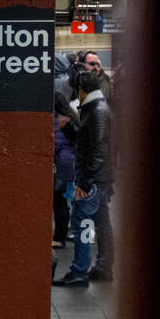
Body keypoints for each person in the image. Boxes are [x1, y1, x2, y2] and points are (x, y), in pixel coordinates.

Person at [54, 71, 113, 286]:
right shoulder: (100, 108)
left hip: (93, 180)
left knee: (83, 223)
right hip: (101, 178)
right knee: (101, 223)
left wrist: (85, 183)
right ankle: (103, 266)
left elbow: (97, 150)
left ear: (81, 90)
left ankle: (80, 270)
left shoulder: (96, 112)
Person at [53, 91, 79, 248]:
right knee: (61, 201)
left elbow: (55, 143)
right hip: (67, 165)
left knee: (58, 202)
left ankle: (59, 238)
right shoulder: (71, 118)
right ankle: (61, 235)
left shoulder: (58, 120)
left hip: (59, 165)